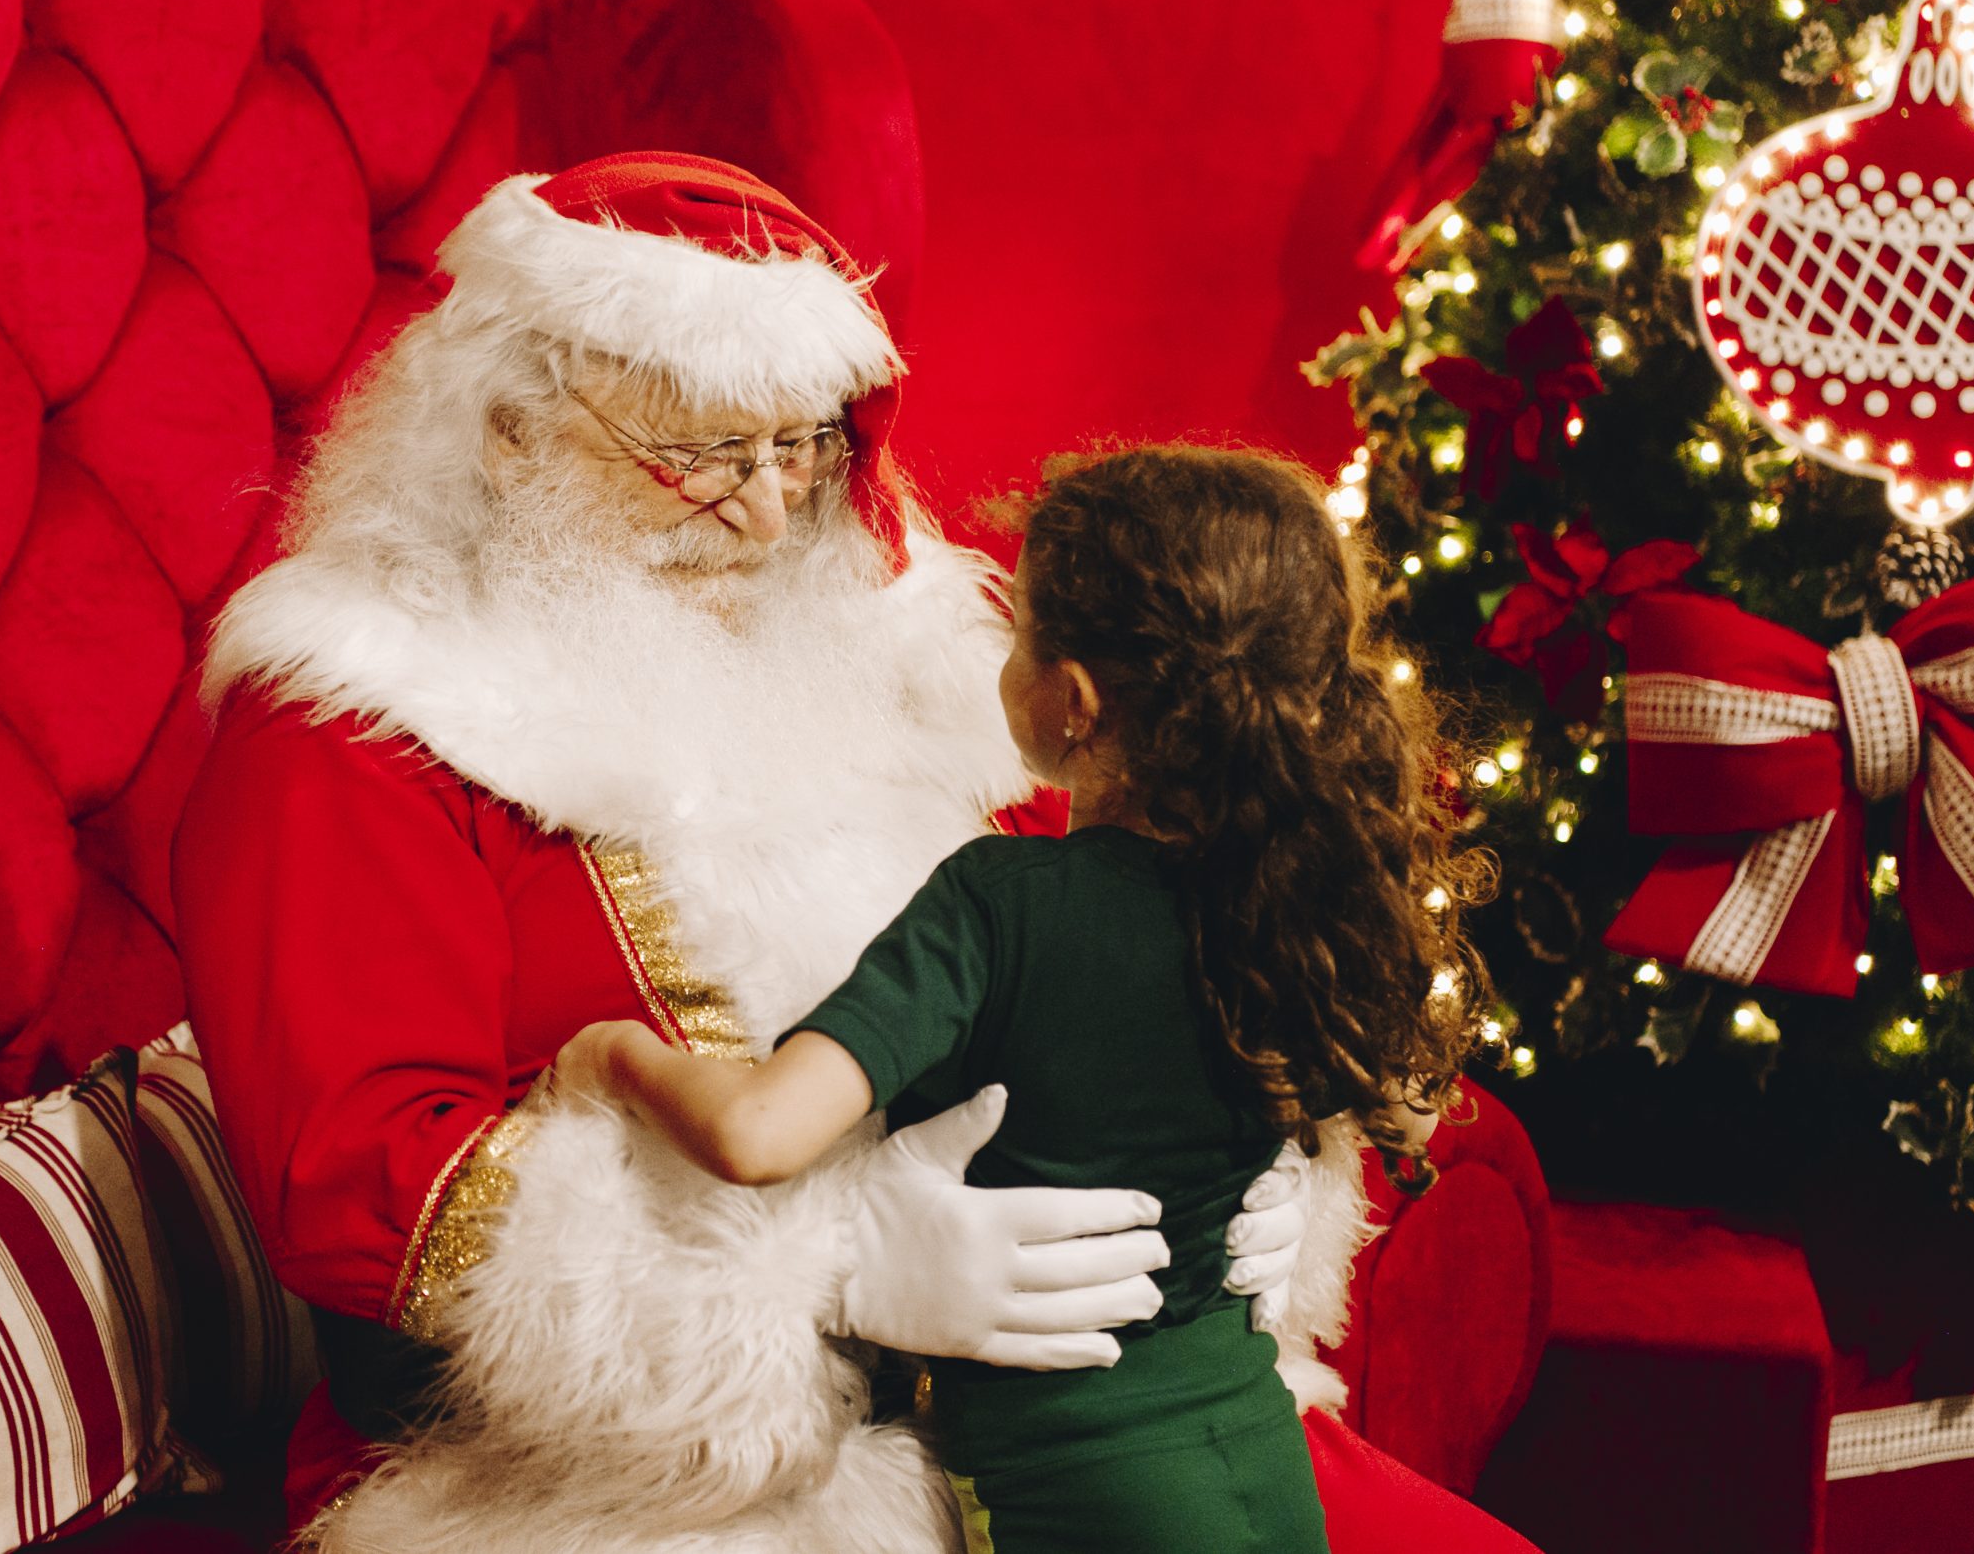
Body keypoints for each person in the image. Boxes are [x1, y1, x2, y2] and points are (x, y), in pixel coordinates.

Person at [172, 152, 1526, 1552]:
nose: (769, 514)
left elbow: (1146, 952)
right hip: (611, 1481)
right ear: (510, 430)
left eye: (801, 447)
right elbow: (361, 1187)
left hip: (1090, 1408)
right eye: (701, 453)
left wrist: (1265, 1166)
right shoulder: (355, 722)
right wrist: (830, 1277)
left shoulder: (927, 662)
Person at [556, 445, 1490, 1552]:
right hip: (1260, 1461)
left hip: (1086, 1495)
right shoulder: (1297, 897)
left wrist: (612, 1056)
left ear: (1073, 701)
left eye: (1021, 632)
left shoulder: (999, 905)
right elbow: (1406, 1109)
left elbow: (758, 1133)